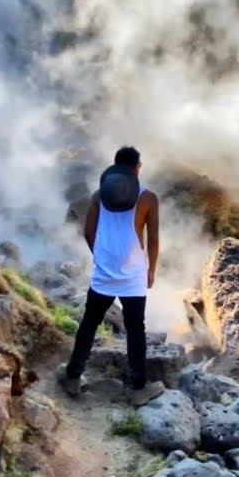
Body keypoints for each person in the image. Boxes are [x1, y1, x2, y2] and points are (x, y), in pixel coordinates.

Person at [58, 146, 164, 406]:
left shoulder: (98, 196)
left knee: (89, 323)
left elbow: (87, 233)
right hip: (134, 277)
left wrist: (100, 257)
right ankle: (139, 388)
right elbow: (153, 240)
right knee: (136, 329)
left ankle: (72, 376)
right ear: (137, 168)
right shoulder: (148, 198)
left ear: (116, 167)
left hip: (104, 274)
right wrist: (151, 270)